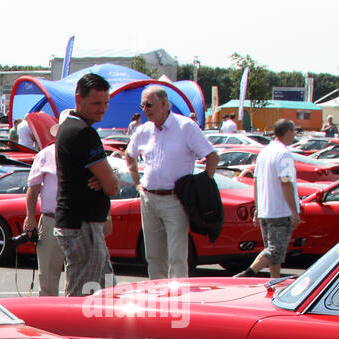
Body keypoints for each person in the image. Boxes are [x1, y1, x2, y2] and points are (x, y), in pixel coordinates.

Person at [124, 85, 218, 279]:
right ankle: (158, 300)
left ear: (164, 104)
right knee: (153, 256)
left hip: (175, 199)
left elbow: (212, 157)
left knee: (176, 257)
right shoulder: (143, 130)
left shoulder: (185, 127)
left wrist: (201, 187)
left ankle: (178, 300)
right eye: (143, 106)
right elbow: (129, 154)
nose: (145, 110)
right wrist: (137, 184)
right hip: (149, 198)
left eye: (149, 105)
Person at [54, 73, 120, 296]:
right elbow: (112, 186)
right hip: (82, 225)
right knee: (83, 296)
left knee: (107, 292)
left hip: (83, 223)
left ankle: (107, 331)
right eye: (96, 103)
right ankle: (70, 331)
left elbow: (108, 183)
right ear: (78, 100)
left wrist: (106, 180)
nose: (102, 109)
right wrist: (107, 180)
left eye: (106, 103)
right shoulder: (82, 132)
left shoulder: (70, 128)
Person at [236, 119, 299, 279]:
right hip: (280, 210)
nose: (294, 136)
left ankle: (274, 282)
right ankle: (248, 273)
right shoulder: (284, 153)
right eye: (294, 132)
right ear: (289, 132)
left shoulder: (264, 152)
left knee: (273, 254)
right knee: (275, 249)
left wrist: (257, 208)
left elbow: (256, 182)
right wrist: (294, 211)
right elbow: (285, 182)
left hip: (265, 209)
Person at [23, 110, 70, 296]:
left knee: (77, 280)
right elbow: (33, 189)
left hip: (78, 221)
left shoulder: (85, 155)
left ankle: (71, 321)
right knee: (48, 280)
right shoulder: (45, 155)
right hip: (51, 220)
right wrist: (30, 218)